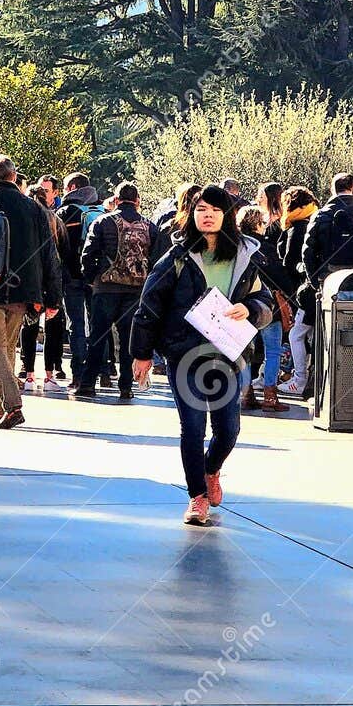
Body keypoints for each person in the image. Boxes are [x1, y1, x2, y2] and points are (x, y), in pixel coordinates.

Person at [131, 184, 272, 525]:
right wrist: (142, 354)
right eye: (200, 209)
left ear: (227, 216)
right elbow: (149, 305)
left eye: (214, 210)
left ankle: (211, 470)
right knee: (192, 427)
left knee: (228, 429)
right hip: (185, 353)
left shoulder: (246, 255)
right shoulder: (176, 257)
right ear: (191, 214)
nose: (206, 215)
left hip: (228, 352)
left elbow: (266, 301)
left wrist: (249, 309)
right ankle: (197, 498)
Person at [0, 155, 62, 430]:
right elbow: (49, 255)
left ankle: (12, 405)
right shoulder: (33, 208)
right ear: (14, 177)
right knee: (6, 347)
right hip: (24, 290)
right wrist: (53, 297)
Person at [73, 182, 157, 403]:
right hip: (136, 291)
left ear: (117, 199)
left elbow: (87, 255)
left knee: (98, 337)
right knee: (129, 339)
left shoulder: (103, 221)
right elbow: (157, 260)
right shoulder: (150, 226)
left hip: (106, 287)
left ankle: (88, 385)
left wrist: (91, 279)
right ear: (137, 201)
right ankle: (126, 387)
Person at [236, 204, 288, 413]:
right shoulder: (265, 246)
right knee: (272, 351)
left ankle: (246, 394)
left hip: (242, 306)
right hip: (268, 306)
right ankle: (270, 396)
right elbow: (277, 274)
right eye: (263, 223)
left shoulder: (235, 247)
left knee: (245, 352)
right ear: (257, 224)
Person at [18, 186, 67, 393]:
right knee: (53, 329)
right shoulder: (55, 220)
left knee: (28, 327)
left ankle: (28, 375)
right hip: (51, 282)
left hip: (29, 282)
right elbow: (63, 254)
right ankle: (49, 375)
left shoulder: (24, 223)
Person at [59, 172, 102, 392]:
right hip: (96, 278)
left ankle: (78, 374)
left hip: (71, 276)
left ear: (73, 187)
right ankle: (101, 373)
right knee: (97, 324)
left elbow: (56, 247)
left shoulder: (66, 212)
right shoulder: (102, 211)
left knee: (75, 324)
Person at [301, 173, 353, 293]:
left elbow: (308, 252)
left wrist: (315, 282)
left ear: (332, 189)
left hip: (329, 282)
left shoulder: (320, 216)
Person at [278, 186, 319, 396]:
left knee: (296, 334)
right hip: (318, 289)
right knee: (310, 337)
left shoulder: (297, 227)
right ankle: (306, 378)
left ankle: (300, 379)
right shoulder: (315, 220)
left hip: (305, 292)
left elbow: (289, 260)